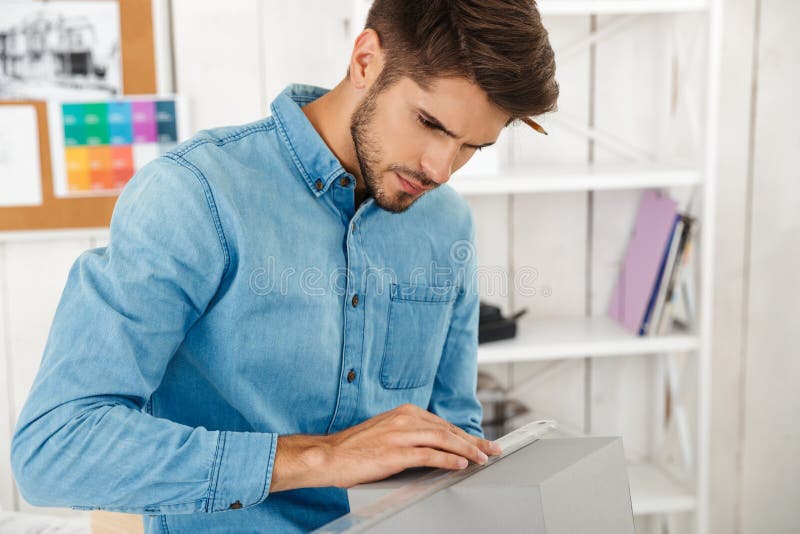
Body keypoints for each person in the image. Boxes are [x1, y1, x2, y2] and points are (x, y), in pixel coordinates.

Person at [11, 0, 558, 531]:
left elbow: (453, 426)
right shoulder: (195, 195)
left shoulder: (445, 223)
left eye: (471, 147)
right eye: (429, 123)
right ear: (366, 60)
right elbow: (54, 448)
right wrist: (318, 457)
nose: (441, 168)